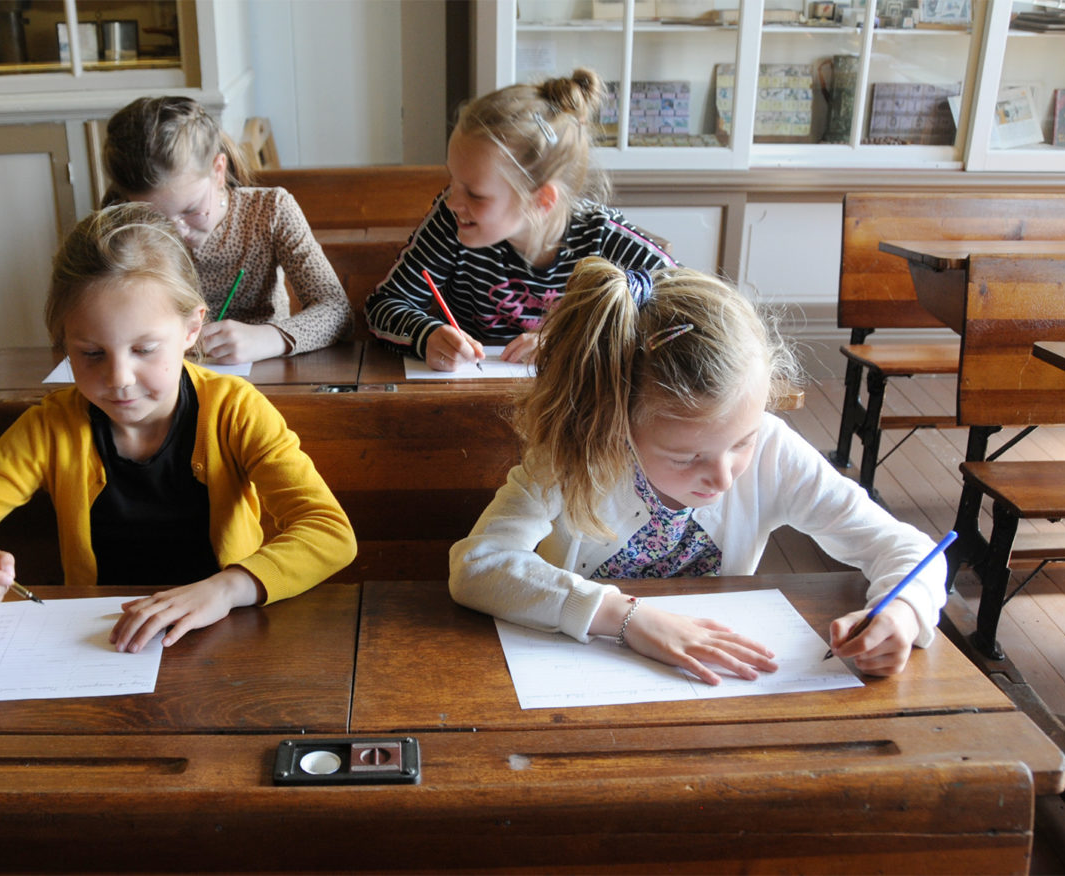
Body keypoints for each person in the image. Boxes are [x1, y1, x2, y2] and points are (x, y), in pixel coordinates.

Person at [449, 257, 947, 683]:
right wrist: (625, 618)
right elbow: (478, 565)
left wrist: (902, 612)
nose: (725, 477)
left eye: (742, 442)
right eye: (687, 458)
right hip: (578, 676)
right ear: (619, 423)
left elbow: (908, 548)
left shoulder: (773, 451)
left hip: (711, 683)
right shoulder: (576, 454)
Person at [0, 204, 357, 653]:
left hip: (227, 637)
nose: (118, 378)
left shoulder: (234, 411)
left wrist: (225, 589)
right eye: (91, 353)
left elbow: (328, 532)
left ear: (192, 328)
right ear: (63, 343)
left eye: (145, 349)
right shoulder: (49, 428)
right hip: (104, 644)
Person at [365, 68, 676, 372]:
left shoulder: (604, 238)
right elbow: (384, 306)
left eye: (475, 194)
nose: (452, 201)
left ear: (541, 201)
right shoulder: (452, 222)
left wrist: (572, 341)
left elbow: (693, 316)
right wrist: (427, 336)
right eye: (453, 180)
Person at [102, 96, 353, 363]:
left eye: (191, 210)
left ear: (218, 170)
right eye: (156, 218)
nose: (178, 231)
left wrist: (268, 338)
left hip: (267, 377)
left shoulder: (270, 211)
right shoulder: (123, 224)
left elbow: (337, 311)